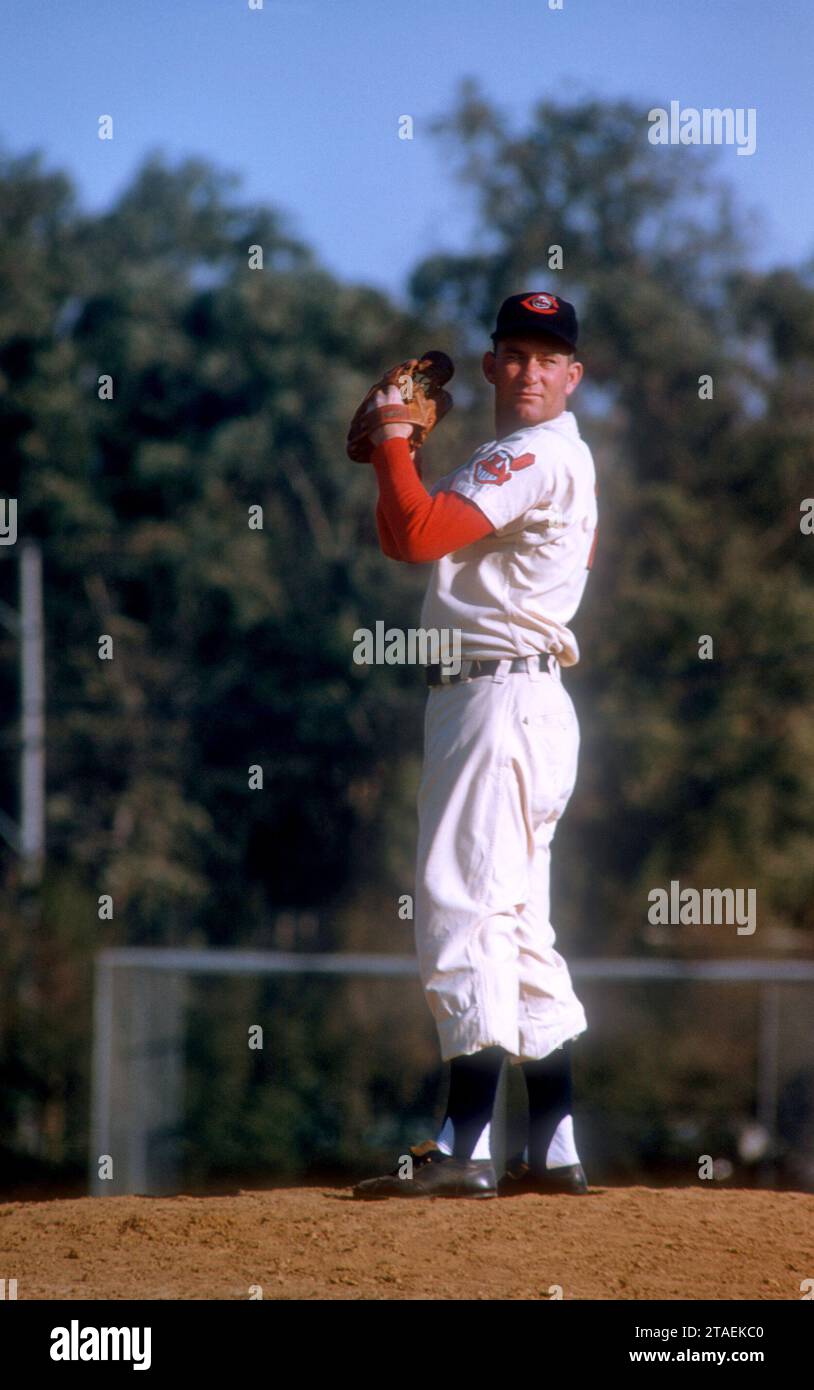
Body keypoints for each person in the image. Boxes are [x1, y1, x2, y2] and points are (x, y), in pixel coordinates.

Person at [353, 293, 598, 1199]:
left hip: (496, 699)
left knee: (458, 908)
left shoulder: (527, 453)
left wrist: (388, 433)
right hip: (525, 699)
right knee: (521, 925)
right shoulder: (551, 457)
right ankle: (555, 1147)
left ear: (572, 377)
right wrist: (400, 454)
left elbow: (416, 535)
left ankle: (460, 1150)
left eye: (550, 357)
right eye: (518, 353)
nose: (532, 369)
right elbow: (402, 534)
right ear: (493, 365)